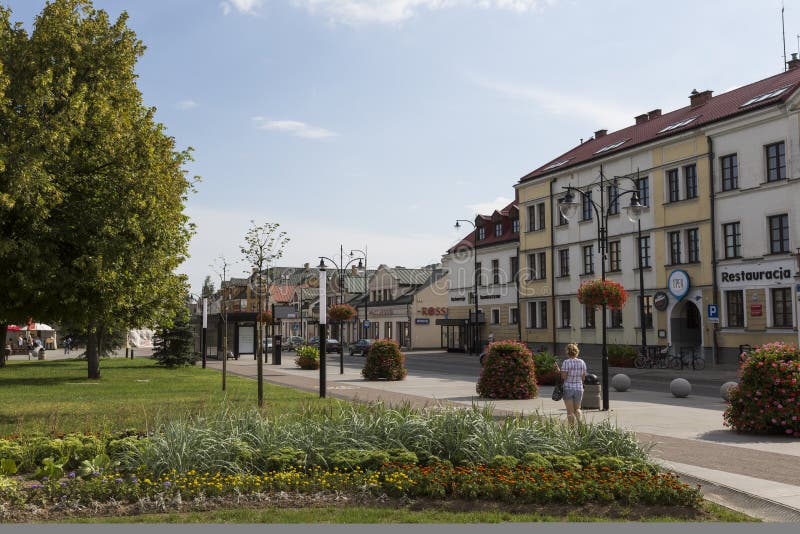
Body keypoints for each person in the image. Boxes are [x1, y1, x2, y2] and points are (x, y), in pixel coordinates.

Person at [560, 343, 587, 426]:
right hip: (579, 388)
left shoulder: (566, 362)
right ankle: (580, 425)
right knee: (577, 409)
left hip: (568, 387)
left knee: (570, 411)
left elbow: (564, 377)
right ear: (577, 352)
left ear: (567, 352)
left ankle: (571, 430)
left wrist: (560, 372)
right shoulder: (582, 362)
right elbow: (583, 377)